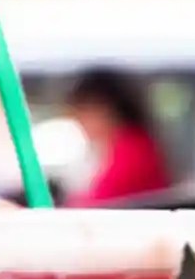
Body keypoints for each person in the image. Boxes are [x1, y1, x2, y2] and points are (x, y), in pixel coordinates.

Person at [64, 67, 173, 206]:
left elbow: (101, 203)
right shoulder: (125, 144)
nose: (79, 122)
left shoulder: (133, 149)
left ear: (105, 109)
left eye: (82, 113)